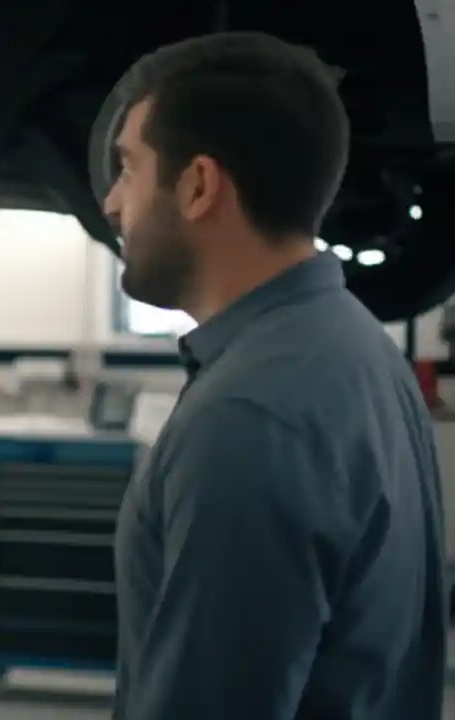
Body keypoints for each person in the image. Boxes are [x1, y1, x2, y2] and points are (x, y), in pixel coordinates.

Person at [97, 31, 449, 719]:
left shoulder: (249, 413)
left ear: (198, 186)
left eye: (129, 168)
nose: (111, 203)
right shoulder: (357, 347)